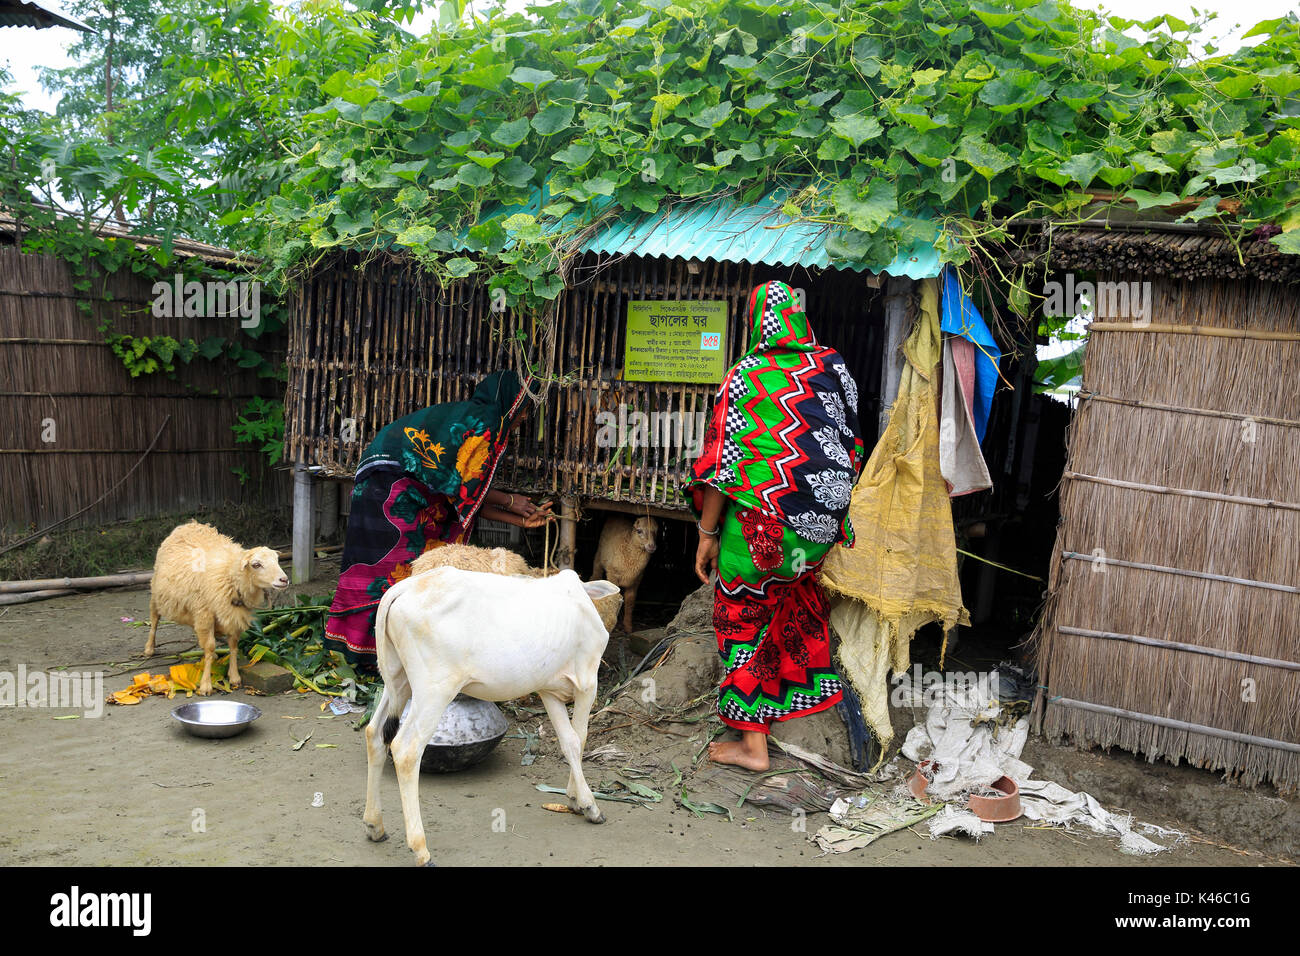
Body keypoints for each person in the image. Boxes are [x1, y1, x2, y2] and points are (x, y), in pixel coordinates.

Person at [690, 281, 864, 771]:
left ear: (754, 323)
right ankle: (797, 694)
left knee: (740, 615)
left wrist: (707, 536)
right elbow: (851, 443)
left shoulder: (745, 377)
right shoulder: (834, 367)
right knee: (787, 600)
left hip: (765, 530)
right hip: (819, 531)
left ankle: (752, 746)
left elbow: (723, 468)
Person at [323, 370, 553, 669]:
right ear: (512, 401)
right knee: (395, 568)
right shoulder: (485, 424)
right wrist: (510, 502)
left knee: (402, 568)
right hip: (391, 482)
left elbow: (463, 496)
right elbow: (465, 489)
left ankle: (380, 654)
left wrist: (521, 519)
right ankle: (379, 656)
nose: (524, 418)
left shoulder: (476, 419)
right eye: (524, 410)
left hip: (397, 481)